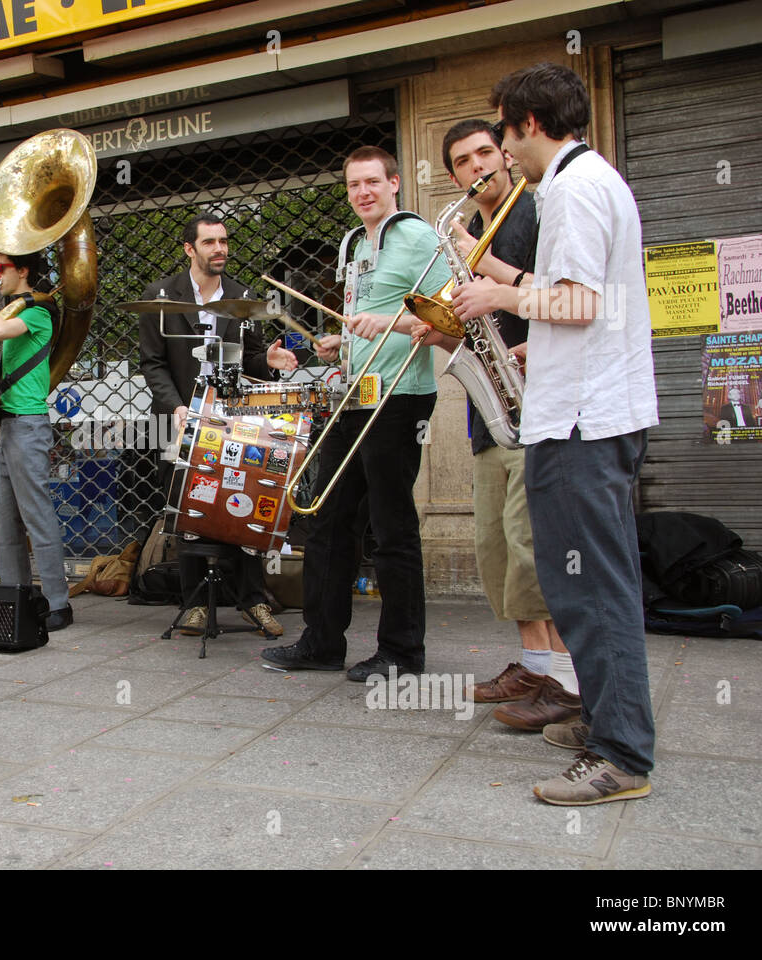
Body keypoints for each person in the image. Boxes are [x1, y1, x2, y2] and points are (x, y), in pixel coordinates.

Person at [451, 63, 659, 805]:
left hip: (580, 421)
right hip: (589, 409)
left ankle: (621, 756)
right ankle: (609, 722)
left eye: (504, 134)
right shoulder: (593, 179)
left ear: (530, 124)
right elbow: (603, 308)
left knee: (593, 593)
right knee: (591, 589)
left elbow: (574, 299)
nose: (502, 154)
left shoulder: (570, 188)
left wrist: (496, 294)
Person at [413, 119, 581, 732]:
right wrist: (442, 331)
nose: (477, 165)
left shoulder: (536, 216)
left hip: (541, 401)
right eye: (462, 160)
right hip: (492, 410)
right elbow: (474, 318)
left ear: (506, 156)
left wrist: (527, 346)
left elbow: (566, 298)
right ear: (453, 175)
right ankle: (535, 665)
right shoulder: (475, 232)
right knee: (497, 549)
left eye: (486, 151)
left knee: (532, 545)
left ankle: (565, 681)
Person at [260, 147, 450, 679]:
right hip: (354, 392)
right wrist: (339, 340)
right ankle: (322, 641)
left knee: (391, 529)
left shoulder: (415, 236)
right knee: (325, 518)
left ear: (394, 182)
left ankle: (402, 653)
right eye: (353, 185)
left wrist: (385, 319)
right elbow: (360, 322)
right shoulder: (350, 243)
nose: (362, 193)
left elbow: (448, 314)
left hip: (400, 395)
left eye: (372, 182)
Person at [137, 213, 298, 636]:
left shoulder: (243, 296)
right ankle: (194, 607)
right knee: (187, 510)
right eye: (209, 242)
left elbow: (253, 361)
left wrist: (272, 363)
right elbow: (152, 363)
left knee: (240, 506)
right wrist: (174, 406)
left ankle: (252, 601)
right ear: (190, 249)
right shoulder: (160, 296)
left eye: (223, 241)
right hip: (178, 420)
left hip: (233, 423)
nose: (220, 249)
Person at [0, 250, 73, 631]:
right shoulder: (12, 311)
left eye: (1, 268)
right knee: (5, 523)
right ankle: (15, 596)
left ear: (23, 271)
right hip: (8, 426)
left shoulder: (37, 312)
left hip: (28, 425)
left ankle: (59, 603)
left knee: (37, 515)